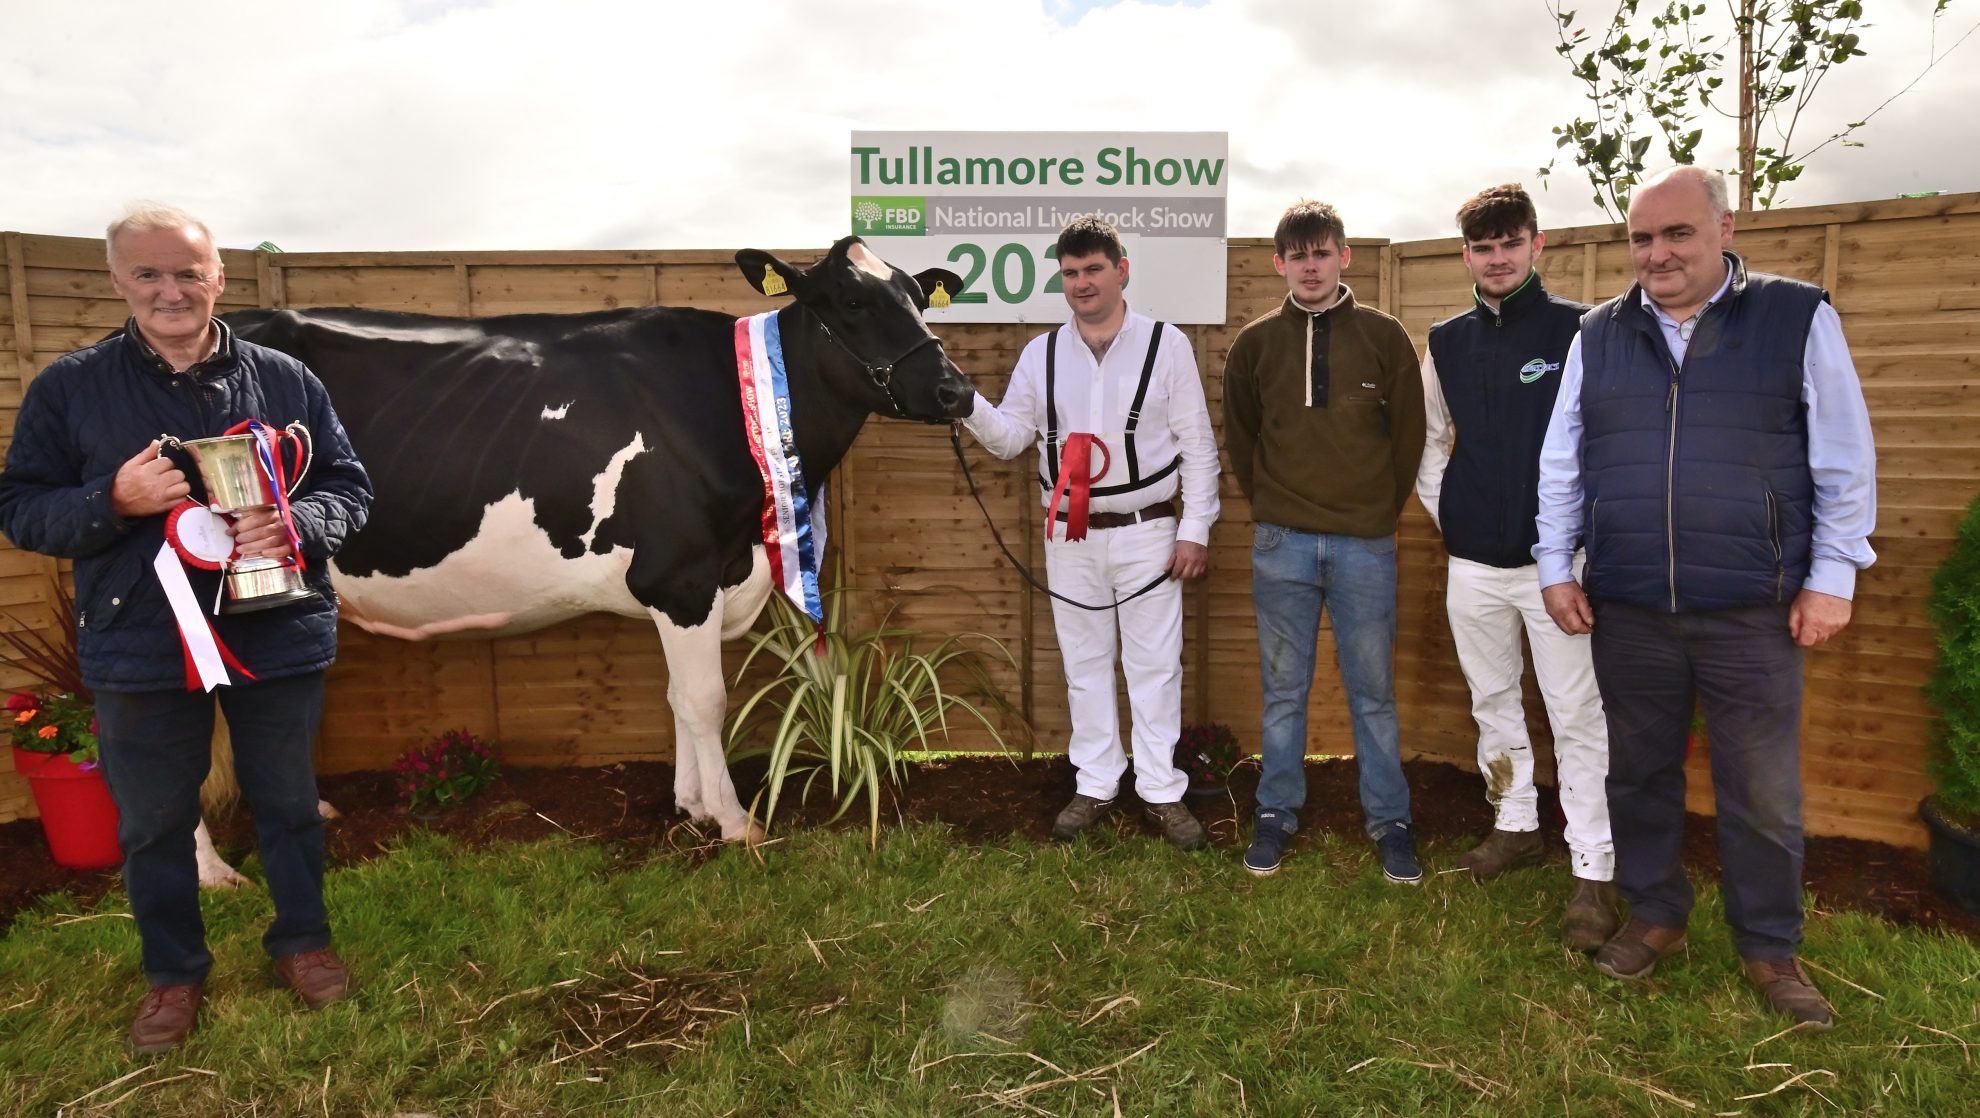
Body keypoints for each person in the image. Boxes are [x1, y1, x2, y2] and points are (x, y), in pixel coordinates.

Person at [0, 202, 374, 1054]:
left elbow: (350, 488)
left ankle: (304, 944)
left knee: (286, 804)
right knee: (152, 822)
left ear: (219, 278)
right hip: (141, 636)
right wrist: (112, 501)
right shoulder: (71, 386)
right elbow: (20, 508)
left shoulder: (285, 379)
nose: (171, 291)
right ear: (117, 281)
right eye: (148, 274)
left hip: (274, 626)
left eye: (188, 273)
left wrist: (299, 525)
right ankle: (173, 975)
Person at [1534, 166, 1876, 1028]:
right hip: (1632, 604)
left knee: (1760, 790)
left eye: (1677, 233)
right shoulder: (1599, 334)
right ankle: (1656, 913)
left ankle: (1769, 947)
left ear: (1726, 230)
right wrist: (1555, 564)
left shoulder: (1796, 317)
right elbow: (1562, 462)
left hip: (1752, 609)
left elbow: (1844, 456)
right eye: (1642, 238)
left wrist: (1833, 577)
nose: (1658, 253)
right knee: (1640, 775)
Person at [961, 216, 1220, 849]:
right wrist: (962, 402)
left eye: (1093, 269)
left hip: (1148, 533)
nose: (1082, 283)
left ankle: (1160, 790)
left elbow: (1199, 447)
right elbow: (1011, 439)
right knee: (1083, 664)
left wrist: (1195, 530)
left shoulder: (1168, 345)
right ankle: (1097, 782)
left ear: (1121, 268)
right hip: (1070, 536)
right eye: (1071, 272)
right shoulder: (1040, 354)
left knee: (1155, 666)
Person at [1416, 184, 1617, 948]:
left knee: (1576, 715)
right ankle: (1516, 824)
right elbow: (1430, 442)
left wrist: (1580, 548)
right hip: (1472, 565)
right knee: (1492, 698)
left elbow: (1602, 444)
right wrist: (1455, 516)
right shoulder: (1445, 340)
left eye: (1510, 243)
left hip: (1558, 568)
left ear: (1538, 245)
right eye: (1482, 246)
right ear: (1465, 254)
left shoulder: (1581, 331)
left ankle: (1592, 869)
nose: (1496, 258)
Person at [1223, 200, 1426, 881]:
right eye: (1297, 255)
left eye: (1322, 251)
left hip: (1364, 545)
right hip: (1281, 543)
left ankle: (1390, 820)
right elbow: (1242, 437)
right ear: (1280, 263)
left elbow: (1409, 439)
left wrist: (1376, 512)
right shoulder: (1254, 344)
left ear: (1344, 256)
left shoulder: (1385, 336)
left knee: (1373, 691)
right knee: (1284, 691)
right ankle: (1276, 811)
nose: (1310, 266)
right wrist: (1273, 508)